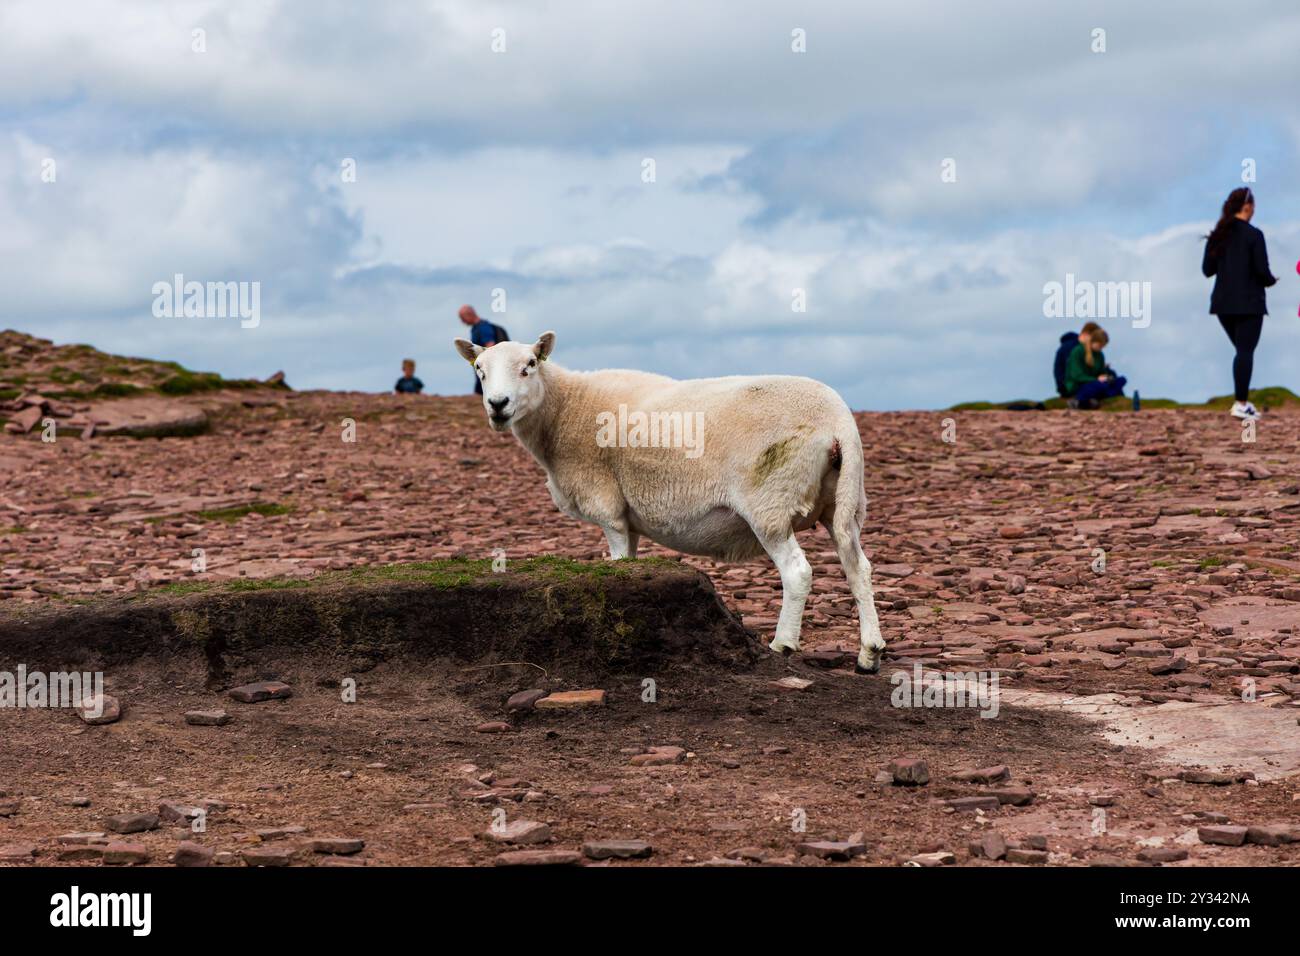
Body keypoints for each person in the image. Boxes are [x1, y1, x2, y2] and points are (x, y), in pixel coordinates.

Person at [1202, 187, 1277, 421]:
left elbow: (1207, 270)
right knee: (1245, 351)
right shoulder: (1254, 235)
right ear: (1248, 207)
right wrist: (1271, 280)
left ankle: (1243, 402)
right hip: (1249, 303)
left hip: (1223, 304)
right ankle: (1241, 404)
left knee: (1241, 351)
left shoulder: (1218, 235)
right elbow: (1262, 271)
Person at [1064, 327, 1126, 409]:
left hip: (1096, 383)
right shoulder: (1077, 351)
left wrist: (1106, 377)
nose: (1101, 348)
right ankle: (1081, 400)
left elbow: (1101, 372)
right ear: (1094, 341)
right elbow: (1077, 376)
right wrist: (1096, 380)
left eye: (1103, 346)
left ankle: (1088, 400)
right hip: (1079, 385)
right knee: (1100, 386)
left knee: (1121, 380)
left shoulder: (1100, 355)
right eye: (1100, 345)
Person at [1053, 321, 1100, 397]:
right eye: (1093, 338)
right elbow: (1073, 373)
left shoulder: (1082, 347)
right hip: (1067, 386)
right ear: (1086, 334)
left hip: (1077, 382)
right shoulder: (1070, 347)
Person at [458, 305, 497, 395]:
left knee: (479, 394)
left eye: (462, 318)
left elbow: (491, 346)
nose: (462, 321)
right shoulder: (476, 328)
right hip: (482, 367)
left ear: (469, 314)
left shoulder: (483, 327)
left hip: (486, 368)